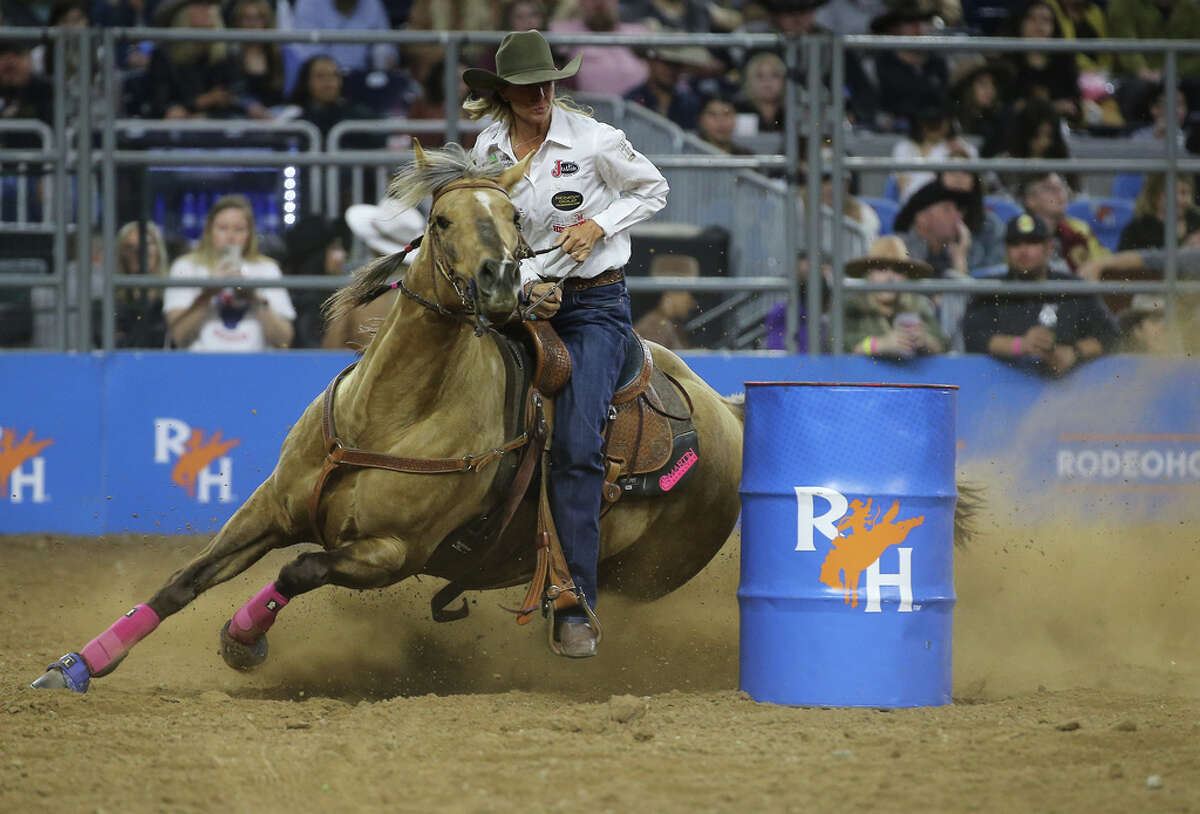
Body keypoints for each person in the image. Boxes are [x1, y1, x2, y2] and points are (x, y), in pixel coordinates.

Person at [463, 29, 669, 657]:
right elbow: (487, 236)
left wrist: (598, 224)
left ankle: (575, 597)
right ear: (504, 93)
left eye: (548, 83)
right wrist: (522, 289)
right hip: (519, 300)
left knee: (577, 443)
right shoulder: (487, 148)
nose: (541, 95)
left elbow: (652, 188)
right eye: (527, 88)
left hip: (595, 306)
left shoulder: (597, 140)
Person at [962, 213, 1118, 376]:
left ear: (1049, 247)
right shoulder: (991, 290)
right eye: (1015, 244)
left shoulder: (1074, 288)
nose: (1023, 251)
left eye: (1032, 242)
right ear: (1007, 249)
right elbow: (973, 338)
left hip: (1070, 389)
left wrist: (1074, 352)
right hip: (1001, 386)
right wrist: (1020, 345)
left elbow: (1111, 335)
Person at [163, 194, 296, 351]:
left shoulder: (267, 269)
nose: (230, 237)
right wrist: (208, 293)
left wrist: (254, 297)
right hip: (199, 364)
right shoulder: (186, 267)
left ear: (249, 234)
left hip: (256, 365)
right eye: (223, 228)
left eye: (238, 229)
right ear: (209, 231)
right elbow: (179, 336)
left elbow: (284, 341)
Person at [842, 236, 948, 357]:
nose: (889, 277)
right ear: (869, 273)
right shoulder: (852, 305)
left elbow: (944, 344)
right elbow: (840, 344)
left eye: (898, 270)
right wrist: (879, 345)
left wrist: (926, 340)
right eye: (881, 268)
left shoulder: (918, 305)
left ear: (905, 277)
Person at [549, 0, 651, 96]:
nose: (599, 2)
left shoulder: (638, 32)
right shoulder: (563, 32)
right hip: (586, 108)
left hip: (639, 107)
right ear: (580, 3)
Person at [1020, 172, 1107, 274]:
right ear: (1031, 200)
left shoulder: (1079, 228)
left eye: (1061, 186)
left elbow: (1103, 261)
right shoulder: (1019, 230)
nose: (1059, 192)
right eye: (1050, 189)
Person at [623, 45, 709, 131]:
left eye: (676, 65)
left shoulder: (690, 104)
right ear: (651, 62)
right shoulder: (631, 101)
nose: (671, 70)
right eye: (666, 63)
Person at [1118, 173, 1200, 252]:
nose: (1179, 199)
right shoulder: (1137, 229)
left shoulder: (1197, 221)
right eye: (1171, 193)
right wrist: (1185, 250)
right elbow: (1123, 262)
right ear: (1154, 195)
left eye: (1184, 192)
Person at [633, 254, 699, 349]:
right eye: (687, 294)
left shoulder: (665, 324)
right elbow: (656, 361)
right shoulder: (656, 326)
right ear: (671, 293)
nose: (692, 303)